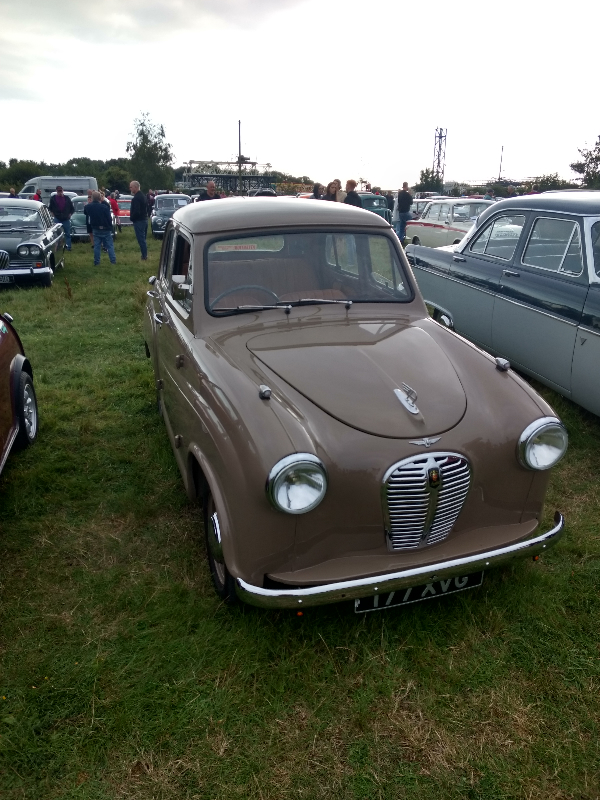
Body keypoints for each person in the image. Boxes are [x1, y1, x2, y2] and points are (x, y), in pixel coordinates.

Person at [86, 191, 116, 266]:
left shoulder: (88, 207)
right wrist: (110, 227)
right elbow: (109, 218)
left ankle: (97, 262)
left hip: (95, 228)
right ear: (100, 198)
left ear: (92, 198)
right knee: (110, 245)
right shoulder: (105, 207)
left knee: (97, 246)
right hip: (105, 228)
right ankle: (113, 261)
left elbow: (85, 212)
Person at [49, 186, 75, 251]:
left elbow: (72, 208)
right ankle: (57, 247)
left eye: (61, 191)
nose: (60, 192)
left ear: (63, 190)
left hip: (66, 218)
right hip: (57, 218)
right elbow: (50, 208)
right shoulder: (53, 199)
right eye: (58, 191)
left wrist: (70, 214)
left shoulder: (67, 198)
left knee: (67, 234)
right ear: (56, 191)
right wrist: (53, 214)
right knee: (56, 234)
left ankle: (68, 247)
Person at [129, 180, 148, 261]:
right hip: (145, 219)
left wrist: (132, 218)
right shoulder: (143, 196)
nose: (130, 189)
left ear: (135, 187)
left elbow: (136, 211)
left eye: (131, 187)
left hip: (139, 221)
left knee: (141, 239)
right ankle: (144, 254)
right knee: (143, 238)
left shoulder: (136, 198)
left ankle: (144, 256)